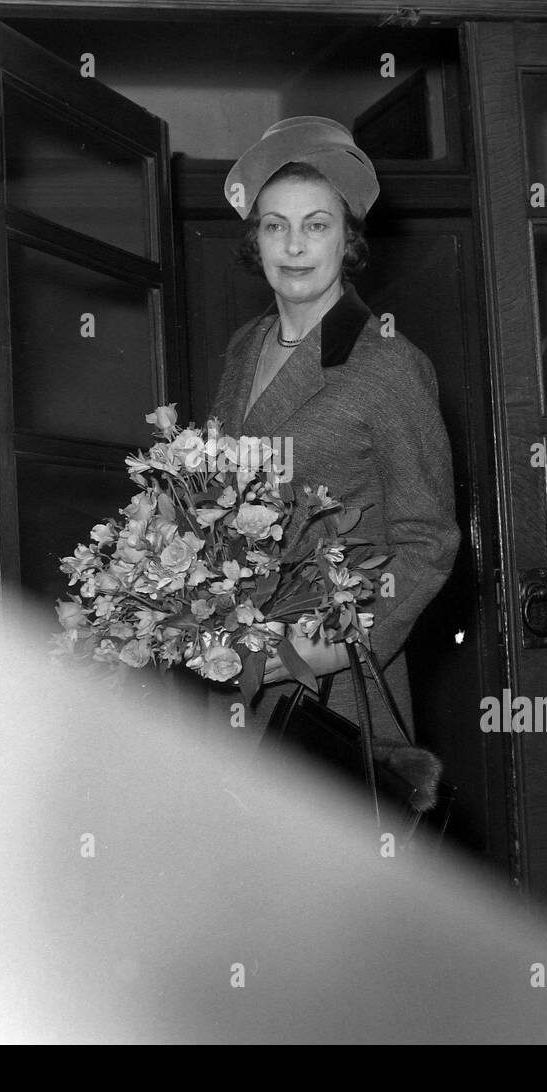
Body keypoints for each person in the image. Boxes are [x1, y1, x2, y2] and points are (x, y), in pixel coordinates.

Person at [210, 116, 459, 744]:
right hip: (236, 665)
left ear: (347, 240)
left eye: (316, 226)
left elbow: (426, 538)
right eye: (276, 226)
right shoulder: (246, 347)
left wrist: (348, 639)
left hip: (335, 685)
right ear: (257, 240)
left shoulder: (389, 362)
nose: (294, 247)